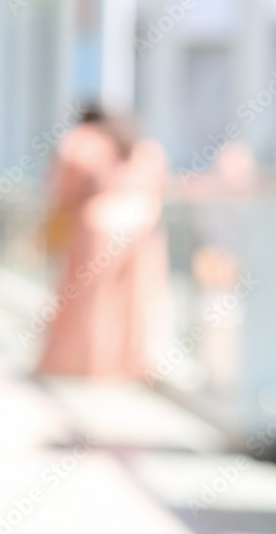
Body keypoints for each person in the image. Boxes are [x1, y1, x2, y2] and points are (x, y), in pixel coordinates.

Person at [36, 105, 169, 380]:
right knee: (134, 302)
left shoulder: (83, 139)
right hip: (142, 226)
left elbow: (63, 185)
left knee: (87, 300)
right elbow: (159, 184)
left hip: (97, 225)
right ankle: (127, 368)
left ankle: (88, 367)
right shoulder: (143, 147)